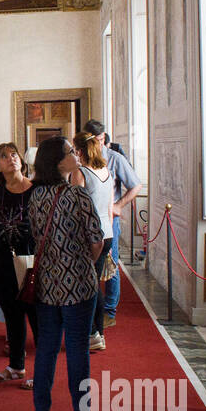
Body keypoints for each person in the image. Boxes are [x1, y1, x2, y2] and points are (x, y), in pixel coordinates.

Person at [27, 137, 104, 411]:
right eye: (71, 151)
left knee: (46, 348)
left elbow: (36, 234)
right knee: (76, 348)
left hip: (47, 283)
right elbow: (96, 241)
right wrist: (81, 260)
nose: (76, 154)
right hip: (79, 285)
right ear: (60, 162)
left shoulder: (35, 196)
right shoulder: (78, 195)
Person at [0, 142, 38, 387]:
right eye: (4, 156)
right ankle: (16, 366)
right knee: (13, 316)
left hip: (33, 262)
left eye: (14, 154)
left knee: (38, 318)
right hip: (5, 262)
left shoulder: (36, 189)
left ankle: (42, 371)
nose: (11, 159)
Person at [84, 121, 142, 326]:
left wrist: (119, 205)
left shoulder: (115, 159)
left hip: (109, 220)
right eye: (94, 141)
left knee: (111, 264)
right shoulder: (81, 160)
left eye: (101, 140)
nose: (98, 145)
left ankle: (109, 310)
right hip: (87, 222)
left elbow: (135, 185)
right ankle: (91, 308)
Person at [74, 132, 114, 352]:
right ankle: (98, 333)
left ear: (79, 151)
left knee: (87, 285)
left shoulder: (81, 173)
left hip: (89, 234)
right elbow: (109, 205)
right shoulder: (106, 171)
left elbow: (76, 208)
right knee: (95, 283)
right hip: (106, 232)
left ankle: (91, 333)